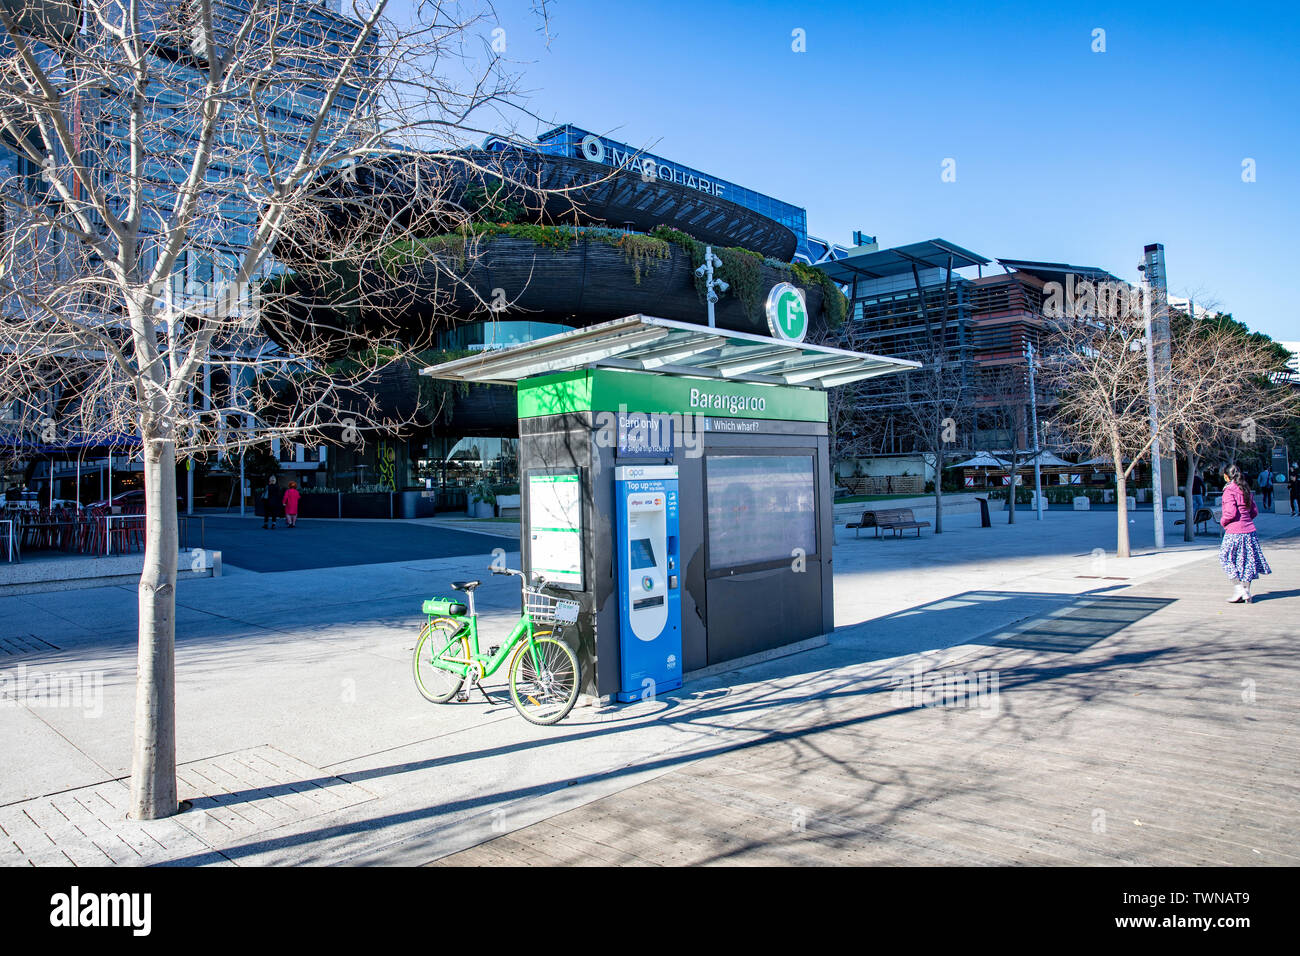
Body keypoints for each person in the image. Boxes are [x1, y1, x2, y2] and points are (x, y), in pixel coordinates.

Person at [1219, 464, 1270, 603]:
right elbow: (1254, 512)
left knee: (1225, 557)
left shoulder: (1229, 490)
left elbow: (1230, 513)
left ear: (1226, 476)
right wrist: (1246, 520)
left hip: (1234, 531)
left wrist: (1222, 522)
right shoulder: (1245, 489)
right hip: (1249, 531)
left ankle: (1238, 588)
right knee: (1246, 561)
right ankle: (1246, 591)